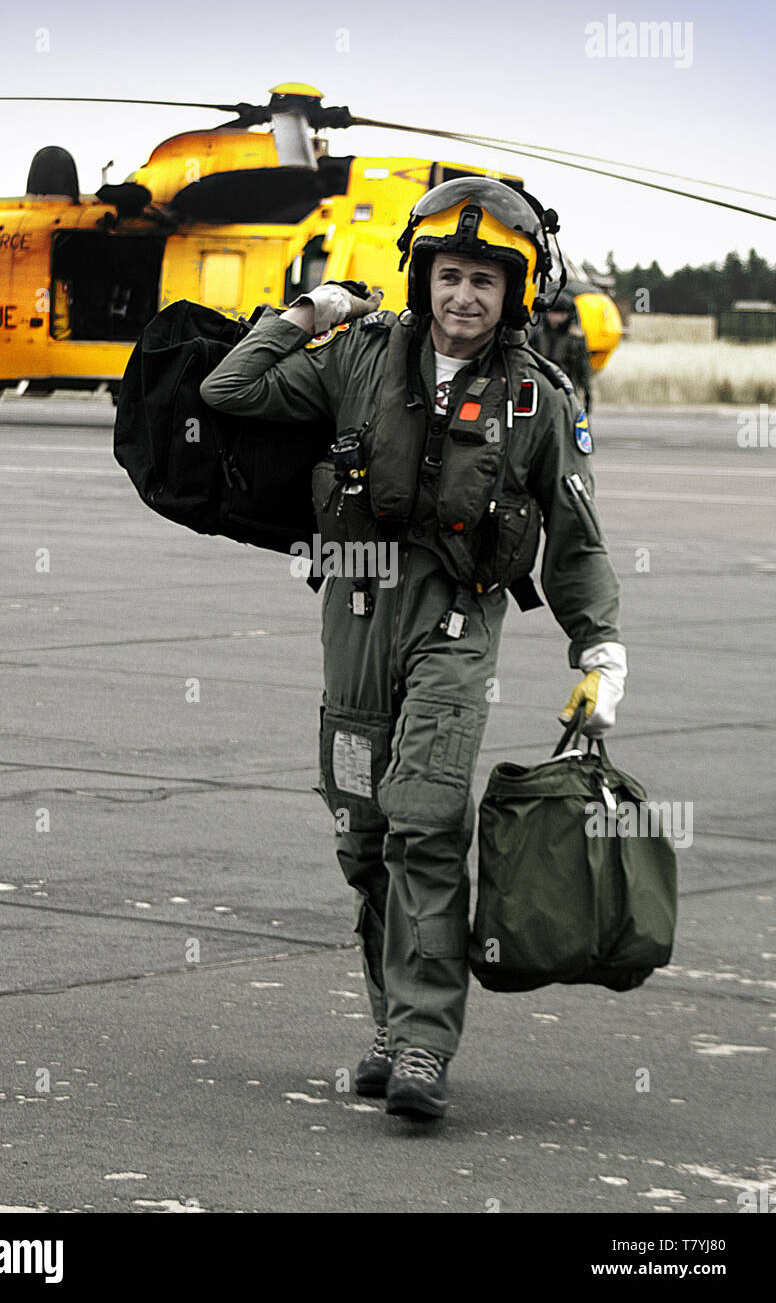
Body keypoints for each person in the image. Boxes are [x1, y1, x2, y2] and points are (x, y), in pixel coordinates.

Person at [199, 177, 626, 1121]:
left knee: (425, 821)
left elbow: (576, 537)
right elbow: (228, 387)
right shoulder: (358, 356)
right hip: (353, 605)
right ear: (422, 277)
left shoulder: (538, 398)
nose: (463, 297)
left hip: (454, 619)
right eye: (449, 275)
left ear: (514, 293)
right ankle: (391, 1026)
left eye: (484, 280)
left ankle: (425, 1046)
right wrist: (314, 307)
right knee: (363, 835)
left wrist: (599, 650)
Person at [529, 290, 594, 412]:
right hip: (540, 387)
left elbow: (583, 368)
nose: (557, 318)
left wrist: (587, 394)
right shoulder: (536, 334)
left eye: (562, 313)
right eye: (553, 313)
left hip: (567, 387)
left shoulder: (575, 338)